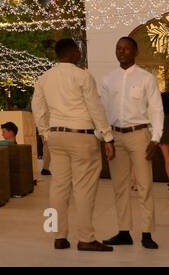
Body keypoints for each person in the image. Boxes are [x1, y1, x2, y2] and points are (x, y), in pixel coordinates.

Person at [32, 37, 117, 251]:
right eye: (78, 51)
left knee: (58, 187)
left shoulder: (44, 78)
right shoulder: (83, 76)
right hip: (81, 135)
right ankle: (86, 238)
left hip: (56, 137)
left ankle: (58, 236)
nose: (80, 54)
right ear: (73, 54)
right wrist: (107, 136)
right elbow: (95, 107)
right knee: (84, 188)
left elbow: (38, 108)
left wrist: (45, 133)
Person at [99, 36, 163, 250]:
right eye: (118, 48)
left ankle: (146, 233)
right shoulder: (109, 79)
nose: (121, 52)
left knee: (144, 185)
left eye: (126, 48)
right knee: (119, 186)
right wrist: (105, 138)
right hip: (116, 137)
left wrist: (156, 138)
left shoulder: (146, 78)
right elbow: (104, 110)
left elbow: (156, 109)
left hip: (139, 135)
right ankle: (124, 231)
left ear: (135, 52)